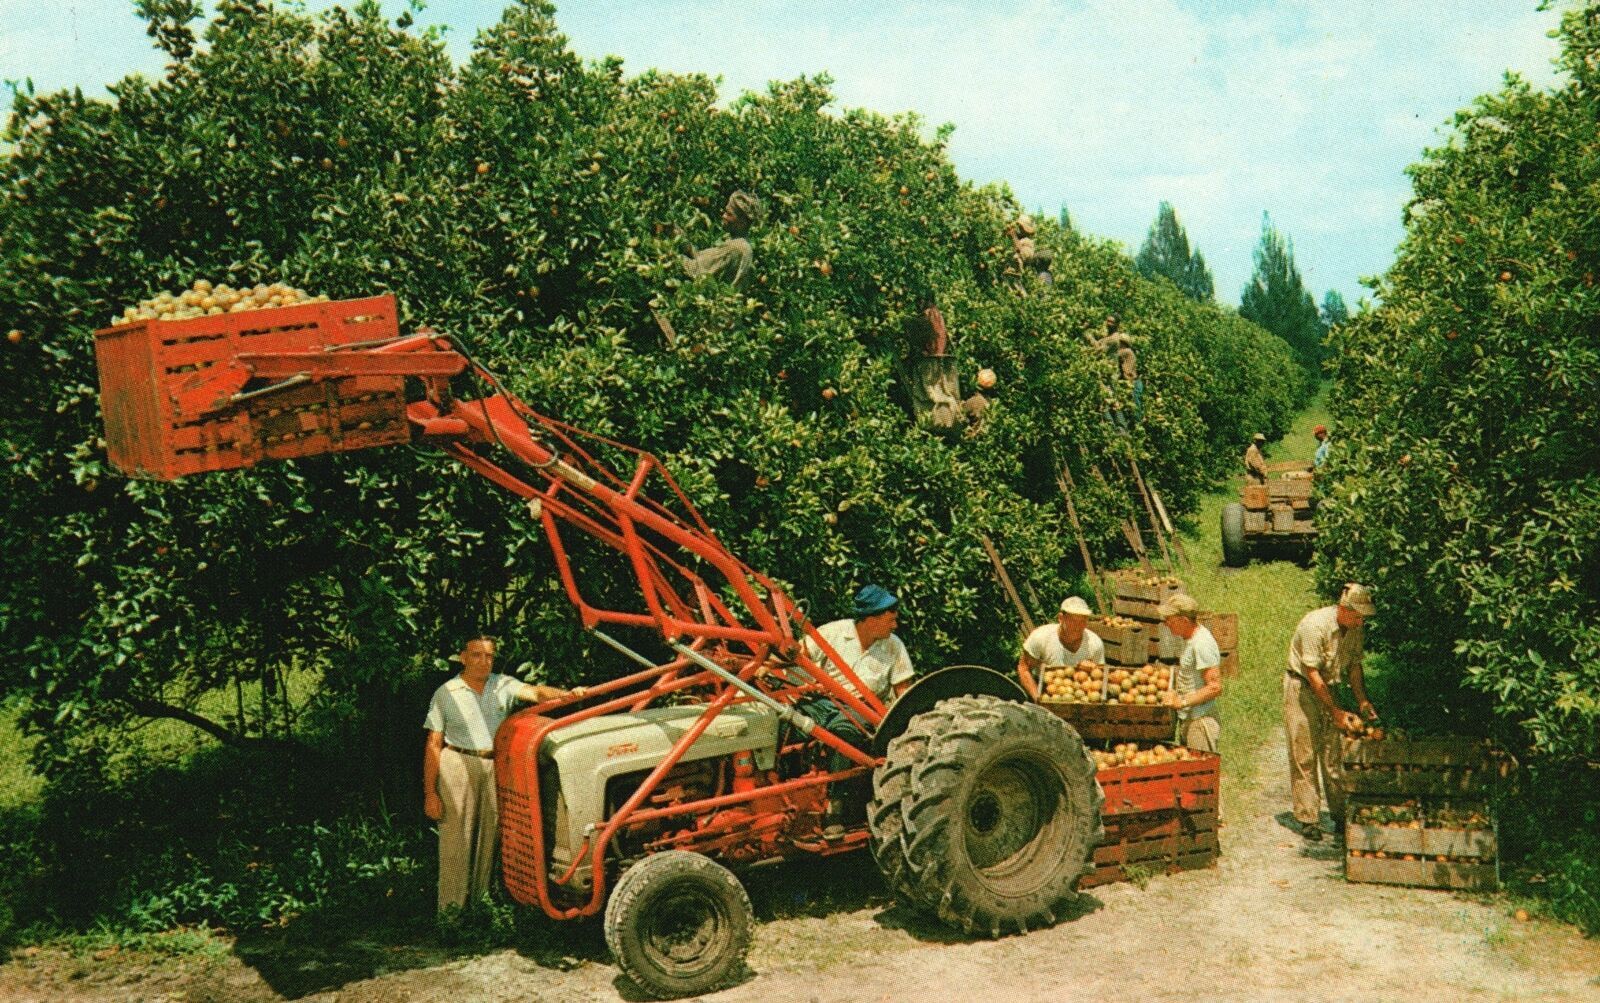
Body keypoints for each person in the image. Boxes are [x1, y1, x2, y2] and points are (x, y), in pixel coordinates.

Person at [422, 636, 583, 913]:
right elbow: (434, 745)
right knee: (456, 842)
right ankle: (450, 916)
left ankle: (478, 911)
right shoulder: (446, 693)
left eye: (489, 656)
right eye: (476, 655)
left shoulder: (502, 684)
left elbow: (534, 692)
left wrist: (566, 694)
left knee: (489, 839)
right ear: (463, 657)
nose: (484, 662)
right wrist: (430, 793)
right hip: (458, 763)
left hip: (494, 765)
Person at [799, 585, 914, 823]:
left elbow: (904, 691)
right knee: (787, 724)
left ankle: (836, 809)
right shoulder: (833, 632)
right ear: (871, 619)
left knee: (843, 736)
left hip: (861, 709)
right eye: (891, 620)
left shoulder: (894, 646)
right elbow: (797, 655)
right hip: (822, 701)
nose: (895, 625)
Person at [1284, 583, 1379, 843]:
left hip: (1330, 686)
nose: (1361, 621)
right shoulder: (1315, 626)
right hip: (1302, 687)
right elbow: (1312, 674)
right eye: (1358, 615)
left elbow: (1355, 667)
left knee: (1333, 752)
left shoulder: (1355, 628)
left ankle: (1339, 815)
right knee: (1303, 751)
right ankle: (1308, 818)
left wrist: (1362, 701)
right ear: (1343, 609)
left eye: (1363, 617)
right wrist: (1335, 711)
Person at [1157, 593, 1222, 752]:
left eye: (1169, 620)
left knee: (1200, 772)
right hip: (1190, 719)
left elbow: (1215, 687)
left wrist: (1182, 701)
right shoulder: (1191, 639)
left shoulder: (1201, 644)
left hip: (1200, 722)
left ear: (1184, 621)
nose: (1165, 624)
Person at [1016, 595, 1105, 701]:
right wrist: (1037, 698)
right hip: (1045, 692)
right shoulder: (1041, 637)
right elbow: (1023, 668)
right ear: (1061, 618)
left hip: (1080, 698)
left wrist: (1094, 669)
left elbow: (1101, 680)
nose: (1078, 626)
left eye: (1083, 621)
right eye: (1073, 620)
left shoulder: (1094, 643)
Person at [682, 190, 762, 291]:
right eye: (725, 211)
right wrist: (683, 242)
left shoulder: (735, 248)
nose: (724, 216)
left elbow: (696, 270)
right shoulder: (742, 244)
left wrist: (668, 252)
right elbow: (703, 260)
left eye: (729, 214)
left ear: (742, 222)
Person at [1086, 316, 1143, 424]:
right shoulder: (1112, 341)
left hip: (1133, 382)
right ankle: (1123, 426)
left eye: (1111, 322)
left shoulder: (1124, 350)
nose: (1108, 323)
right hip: (1123, 379)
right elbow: (1100, 344)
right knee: (1113, 400)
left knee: (1113, 401)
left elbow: (1099, 350)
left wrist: (1087, 335)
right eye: (1107, 321)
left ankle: (1124, 426)